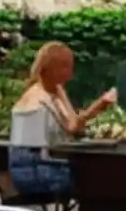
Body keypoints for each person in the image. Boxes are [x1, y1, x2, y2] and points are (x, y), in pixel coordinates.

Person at [8, 42, 116, 197]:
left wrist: (98, 105)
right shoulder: (39, 99)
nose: (71, 73)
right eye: (65, 66)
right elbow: (70, 128)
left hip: (35, 170)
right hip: (38, 173)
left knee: (100, 177)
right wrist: (99, 105)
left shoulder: (52, 91)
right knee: (101, 179)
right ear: (48, 68)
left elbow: (73, 125)